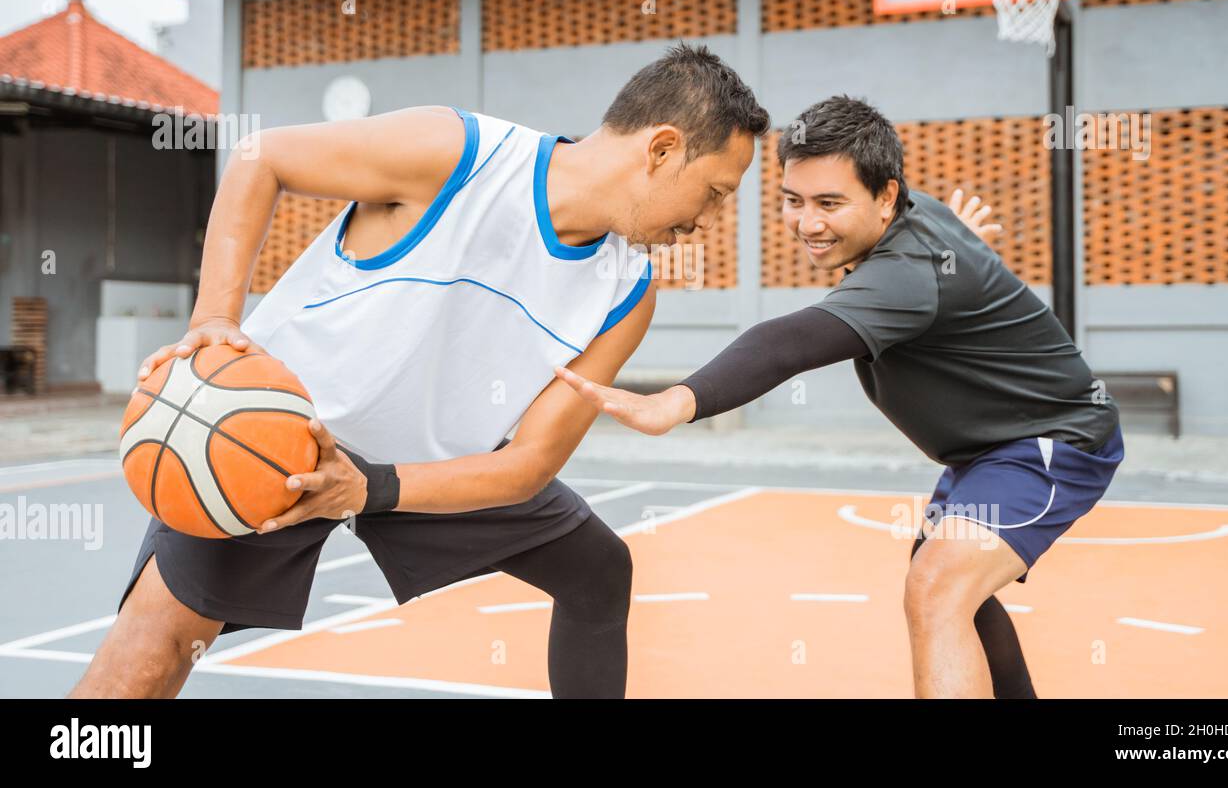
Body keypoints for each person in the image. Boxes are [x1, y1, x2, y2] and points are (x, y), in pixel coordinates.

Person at [71, 43, 767, 699]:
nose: (709, 220)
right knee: (153, 653)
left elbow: (527, 464)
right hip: (274, 434)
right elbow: (263, 158)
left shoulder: (628, 290)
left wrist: (370, 489)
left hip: (434, 469)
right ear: (663, 148)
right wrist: (213, 320)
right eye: (713, 193)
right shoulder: (458, 153)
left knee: (597, 571)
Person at [556, 95, 1123, 699]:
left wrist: (677, 401)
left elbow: (787, 344)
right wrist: (963, 247)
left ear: (886, 196)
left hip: (1052, 443)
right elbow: (934, 264)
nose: (809, 223)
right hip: (985, 450)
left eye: (830, 203)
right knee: (952, 587)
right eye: (794, 201)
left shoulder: (911, 271)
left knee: (938, 586)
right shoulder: (913, 229)